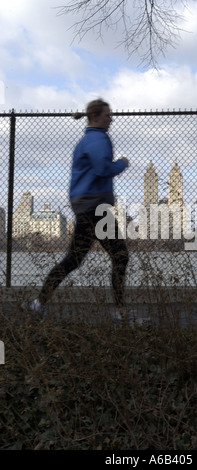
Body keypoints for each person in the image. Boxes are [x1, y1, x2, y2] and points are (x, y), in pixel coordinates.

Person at [22, 98, 131, 321]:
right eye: (108, 115)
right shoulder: (97, 139)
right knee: (120, 256)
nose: (111, 119)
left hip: (88, 206)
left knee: (74, 260)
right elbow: (102, 168)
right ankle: (120, 313)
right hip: (94, 208)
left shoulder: (88, 140)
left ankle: (38, 303)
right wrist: (122, 163)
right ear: (95, 117)